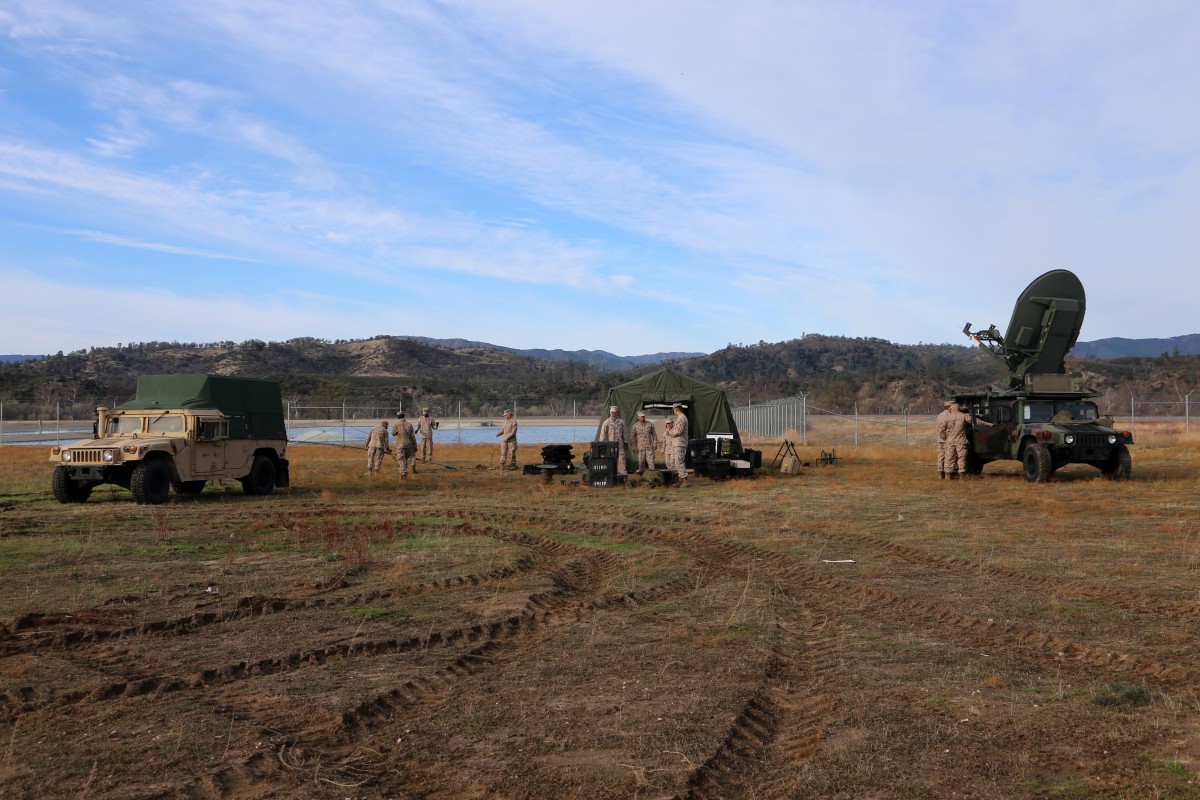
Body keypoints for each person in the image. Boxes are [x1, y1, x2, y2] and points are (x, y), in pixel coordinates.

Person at [937, 400, 989, 479]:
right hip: (961, 441)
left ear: (953, 409)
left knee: (949, 457)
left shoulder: (946, 417)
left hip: (950, 441)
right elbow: (975, 421)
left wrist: (944, 438)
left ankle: (948, 475)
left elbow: (941, 429)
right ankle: (962, 475)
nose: (950, 409)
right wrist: (986, 423)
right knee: (962, 458)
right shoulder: (963, 416)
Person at [598, 405, 628, 476]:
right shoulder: (606, 422)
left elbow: (625, 433)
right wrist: (601, 444)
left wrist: (625, 442)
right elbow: (603, 434)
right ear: (610, 412)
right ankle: (611, 474)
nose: (613, 414)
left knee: (622, 459)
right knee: (610, 460)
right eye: (612, 412)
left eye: (614, 412)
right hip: (610, 445)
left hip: (619, 444)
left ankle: (623, 475)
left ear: (616, 413)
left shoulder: (621, 422)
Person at [665, 402, 689, 483]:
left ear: (676, 410)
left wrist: (669, 432)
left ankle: (685, 480)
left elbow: (678, 431)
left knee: (679, 461)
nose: (673, 412)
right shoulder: (680, 418)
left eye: (674, 410)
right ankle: (680, 479)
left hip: (680, 443)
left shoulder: (681, 418)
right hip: (677, 443)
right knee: (676, 462)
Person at [391, 412, 417, 480]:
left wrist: (396, 433)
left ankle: (404, 476)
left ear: (398, 417)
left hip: (400, 445)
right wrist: (415, 446)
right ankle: (406, 473)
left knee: (401, 459)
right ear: (404, 416)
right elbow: (413, 437)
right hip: (409, 445)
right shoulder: (409, 424)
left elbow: (393, 433)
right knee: (409, 458)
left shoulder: (396, 424)